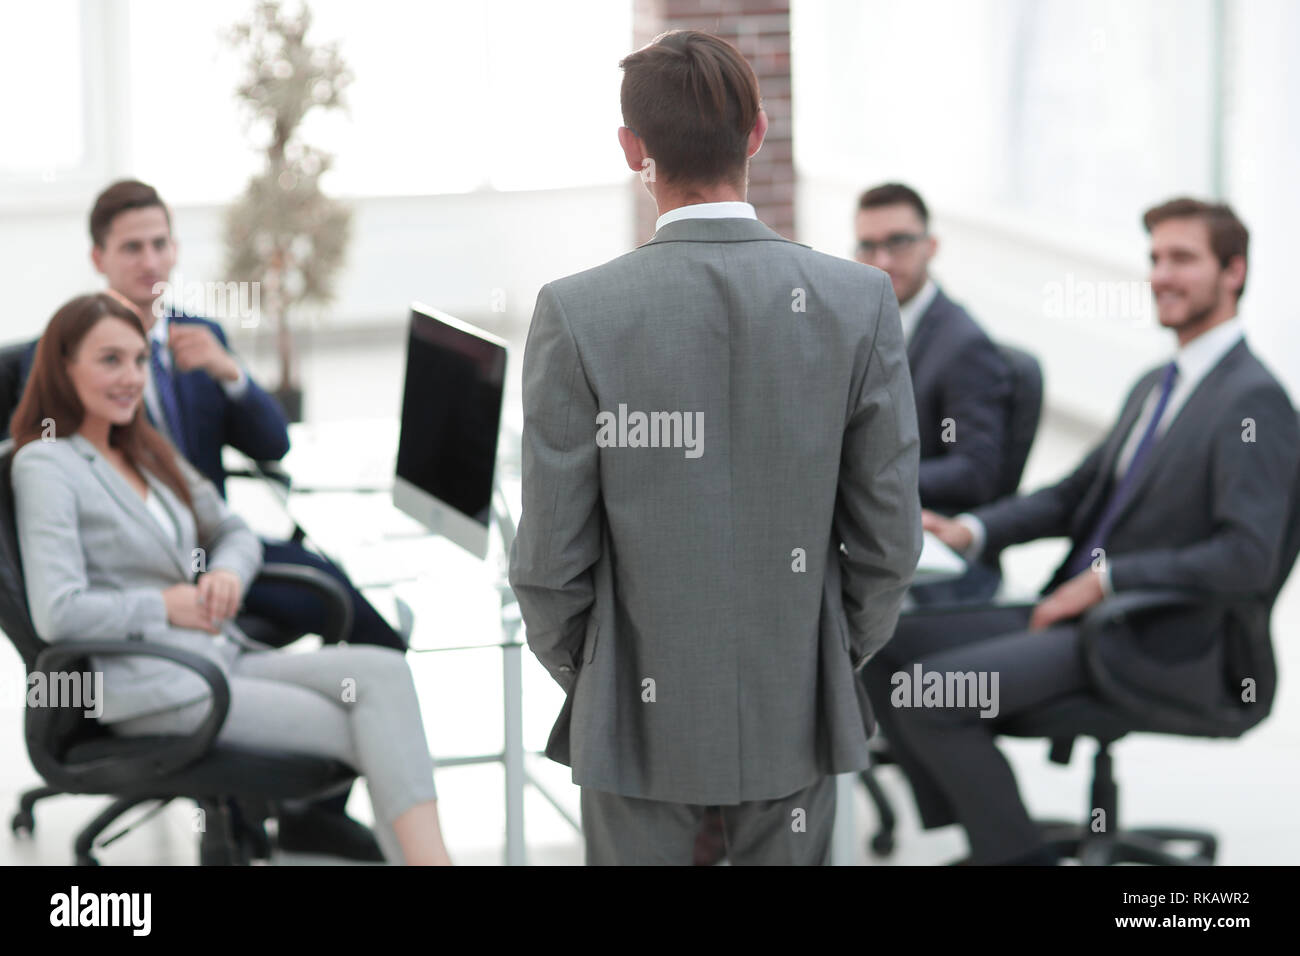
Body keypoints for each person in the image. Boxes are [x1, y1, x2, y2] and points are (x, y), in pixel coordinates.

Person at [508, 30, 922, 865]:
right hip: (795, 701)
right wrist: (821, 658)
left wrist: (601, 681)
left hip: (634, 716)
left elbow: (549, 563)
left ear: (633, 149)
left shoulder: (577, 313)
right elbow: (889, 542)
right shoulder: (859, 302)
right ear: (758, 133)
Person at [864, 197, 1300, 865]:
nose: (1161, 275)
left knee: (926, 696)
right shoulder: (1160, 381)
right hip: (1087, 616)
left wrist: (1106, 583)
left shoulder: (1253, 402)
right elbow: (1074, 497)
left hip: (1156, 637)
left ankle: (1012, 851)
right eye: (1155, 258)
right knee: (881, 648)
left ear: (1233, 271)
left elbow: (1246, 557)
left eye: (1183, 258)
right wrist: (972, 531)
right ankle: (996, 829)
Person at [16, 179, 405, 858]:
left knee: (362, 623)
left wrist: (230, 375)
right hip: (140, 579)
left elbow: (273, 447)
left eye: (161, 244)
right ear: (98, 258)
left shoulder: (200, 339)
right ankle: (251, 788)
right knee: (345, 687)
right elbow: (48, 512)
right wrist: (166, 602)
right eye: (131, 247)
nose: (150, 261)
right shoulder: (63, 362)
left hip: (218, 550)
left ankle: (311, 808)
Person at [855, 182, 1011, 605]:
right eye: (868, 246)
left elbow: (974, 470)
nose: (883, 260)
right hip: (879, 534)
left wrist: (865, 479)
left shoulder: (963, 346)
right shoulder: (867, 324)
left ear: (932, 245)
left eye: (899, 242)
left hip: (941, 563)